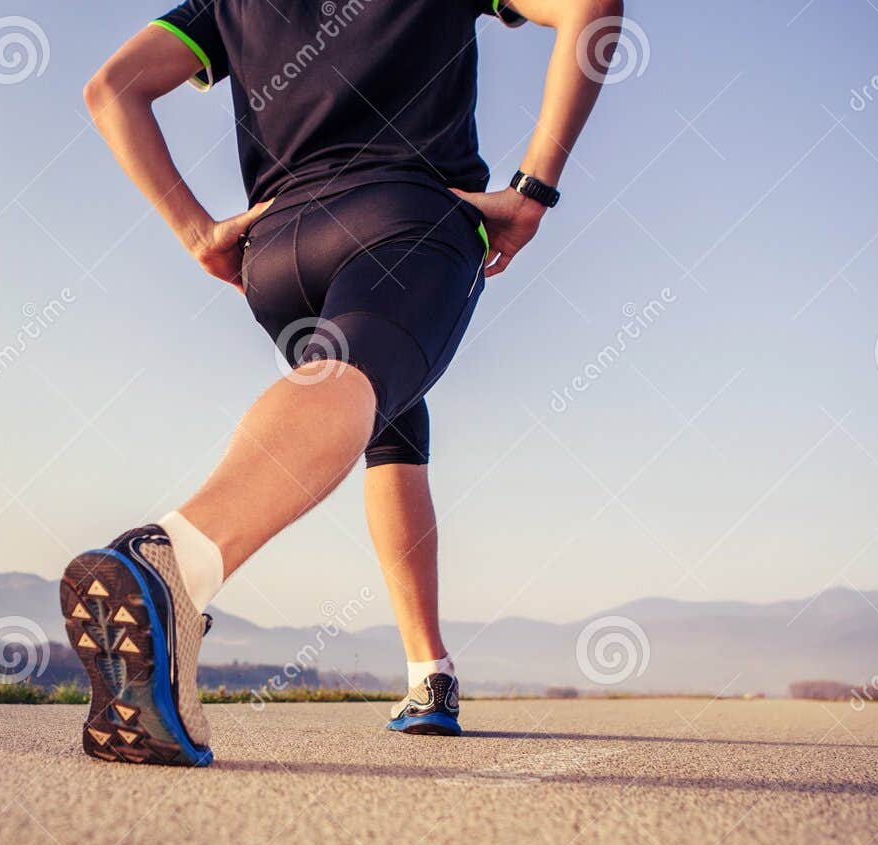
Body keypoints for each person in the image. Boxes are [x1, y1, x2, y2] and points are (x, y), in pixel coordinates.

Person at [63, 0, 623, 765]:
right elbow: (592, 8)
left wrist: (197, 231)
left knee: (385, 414)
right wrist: (534, 189)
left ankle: (430, 672)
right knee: (355, 376)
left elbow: (111, 90)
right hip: (408, 220)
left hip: (280, 252)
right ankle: (174, 568)